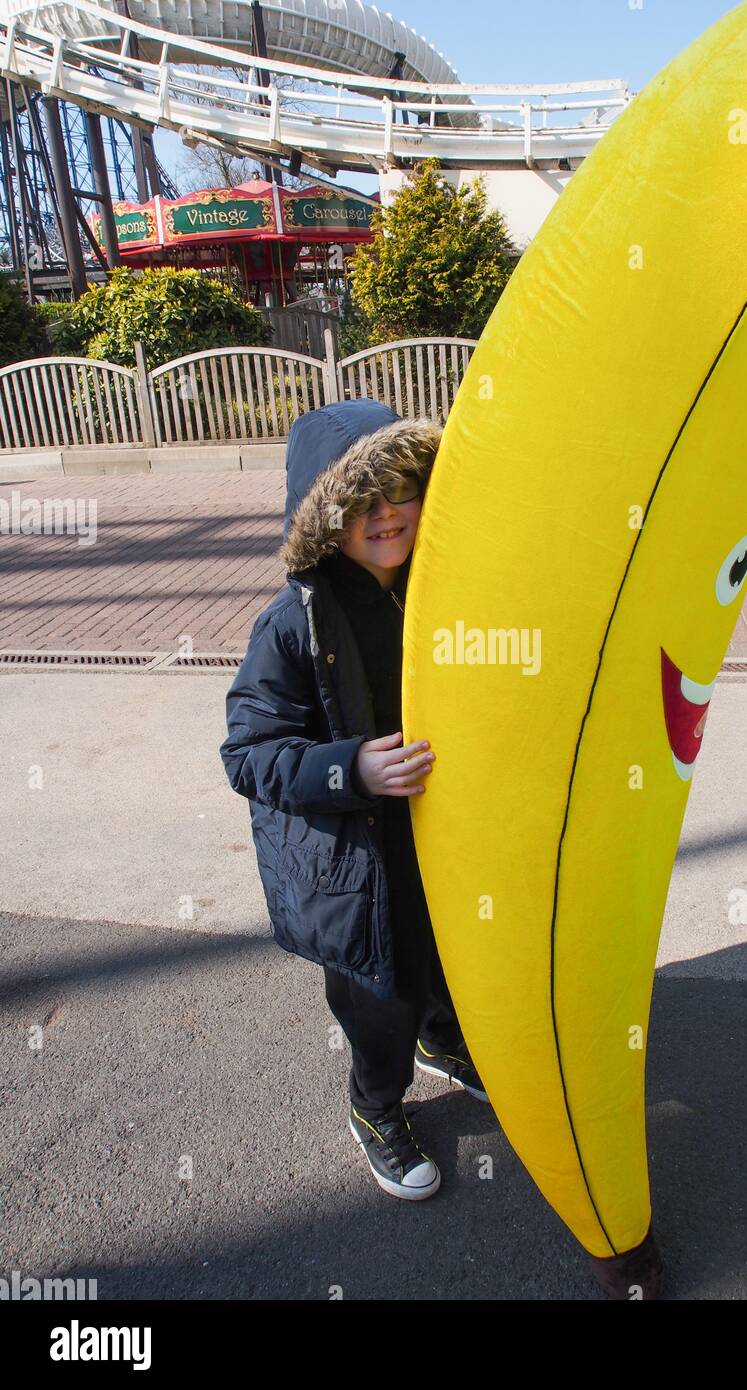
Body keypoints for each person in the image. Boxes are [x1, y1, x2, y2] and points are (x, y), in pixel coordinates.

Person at [220, 400, 487, 1204]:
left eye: (401, 488)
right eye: (357, 499)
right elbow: (249, 753)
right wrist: (349, 771)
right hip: (351, 863)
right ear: (320, 515)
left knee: (446, 961)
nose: (383, 514)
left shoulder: (441, 588)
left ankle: (442, 1040)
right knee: (379, 998)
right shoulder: (291, 623)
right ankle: (375, 1105)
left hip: (440, 835)